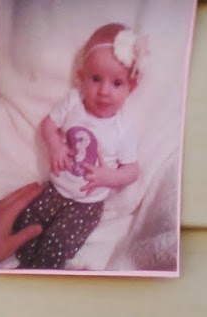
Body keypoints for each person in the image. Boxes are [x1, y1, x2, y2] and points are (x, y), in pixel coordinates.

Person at [11, 22, 145, 271]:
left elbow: (132, 170)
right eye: (96, 79)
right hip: (56, 189)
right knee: (25, 221)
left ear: (131, 87)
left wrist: (109, 176)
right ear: (82, 77)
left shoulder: (122, 128)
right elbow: (48, 125)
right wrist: (55, 146)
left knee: (57, 242)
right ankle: (24, 262)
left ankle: (39, 272)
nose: (104, 91)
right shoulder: (73, 102)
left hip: (87, 204)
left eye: (116, 83)